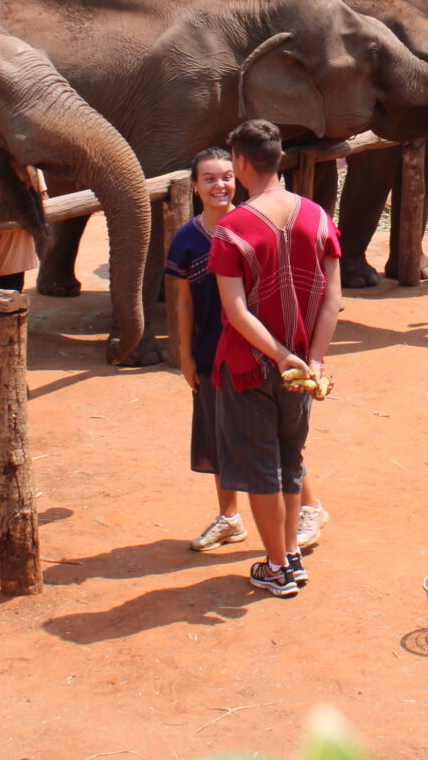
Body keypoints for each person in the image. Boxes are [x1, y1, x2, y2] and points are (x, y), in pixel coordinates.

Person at [170, 148, 329, 555]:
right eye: (209, 178)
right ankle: (229, 518)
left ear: (238, 176)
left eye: (226, 176)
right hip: (212, 352)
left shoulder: (253, 224)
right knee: (217, 434)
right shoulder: (186, 239)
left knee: (277, 441)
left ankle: (308, 509)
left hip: (258, 351)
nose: (219, 185)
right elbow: (184, 302)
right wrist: (186, 355)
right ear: (194, 186)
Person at [209, 120, 343, 599]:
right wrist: (313, 361)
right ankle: (290, 557)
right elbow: (332, 300)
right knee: (290, 460)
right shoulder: (318, 217)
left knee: (261, 468)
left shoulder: (231, 230)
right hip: (302, 370)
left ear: (242, 163)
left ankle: (278, 566)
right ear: (280, 158)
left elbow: (236, 311)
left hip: (250, 366)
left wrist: (281, 355)